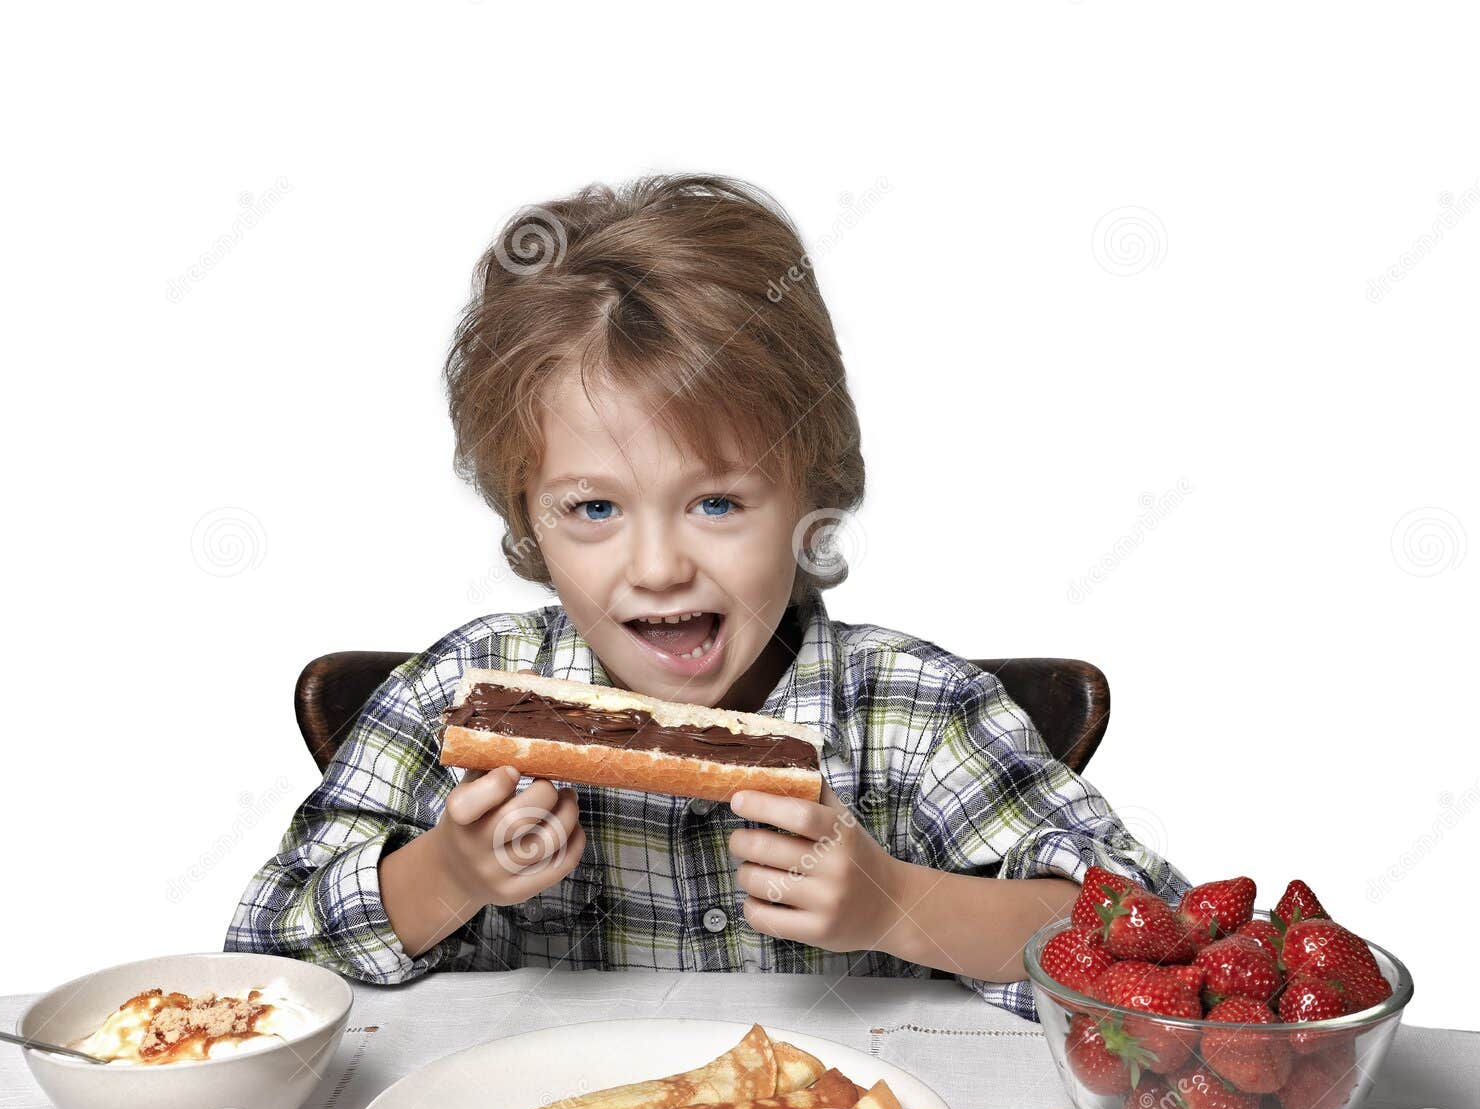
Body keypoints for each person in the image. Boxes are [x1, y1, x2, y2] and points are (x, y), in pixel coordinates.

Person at [224, 174, 1187, 1019]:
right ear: (527, 514)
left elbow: (1151, 939)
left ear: (810, 496)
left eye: (716, 502)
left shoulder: (914, 713)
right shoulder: (457, 696)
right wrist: (446, 874)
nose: (657, 567)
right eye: (593, 507)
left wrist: (900, 903)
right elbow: (261, 958)